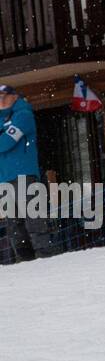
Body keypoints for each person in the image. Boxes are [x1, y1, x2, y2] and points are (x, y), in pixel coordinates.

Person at [0, 83, 42, 263]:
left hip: (24, 174)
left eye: (3, 96)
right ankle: (25, 262)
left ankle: (45, 258)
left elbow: (5, 143)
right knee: (13, 225)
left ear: (14, 96)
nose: (0, 100)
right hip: (3, 178)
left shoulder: (23, 115)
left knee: (33, 219)